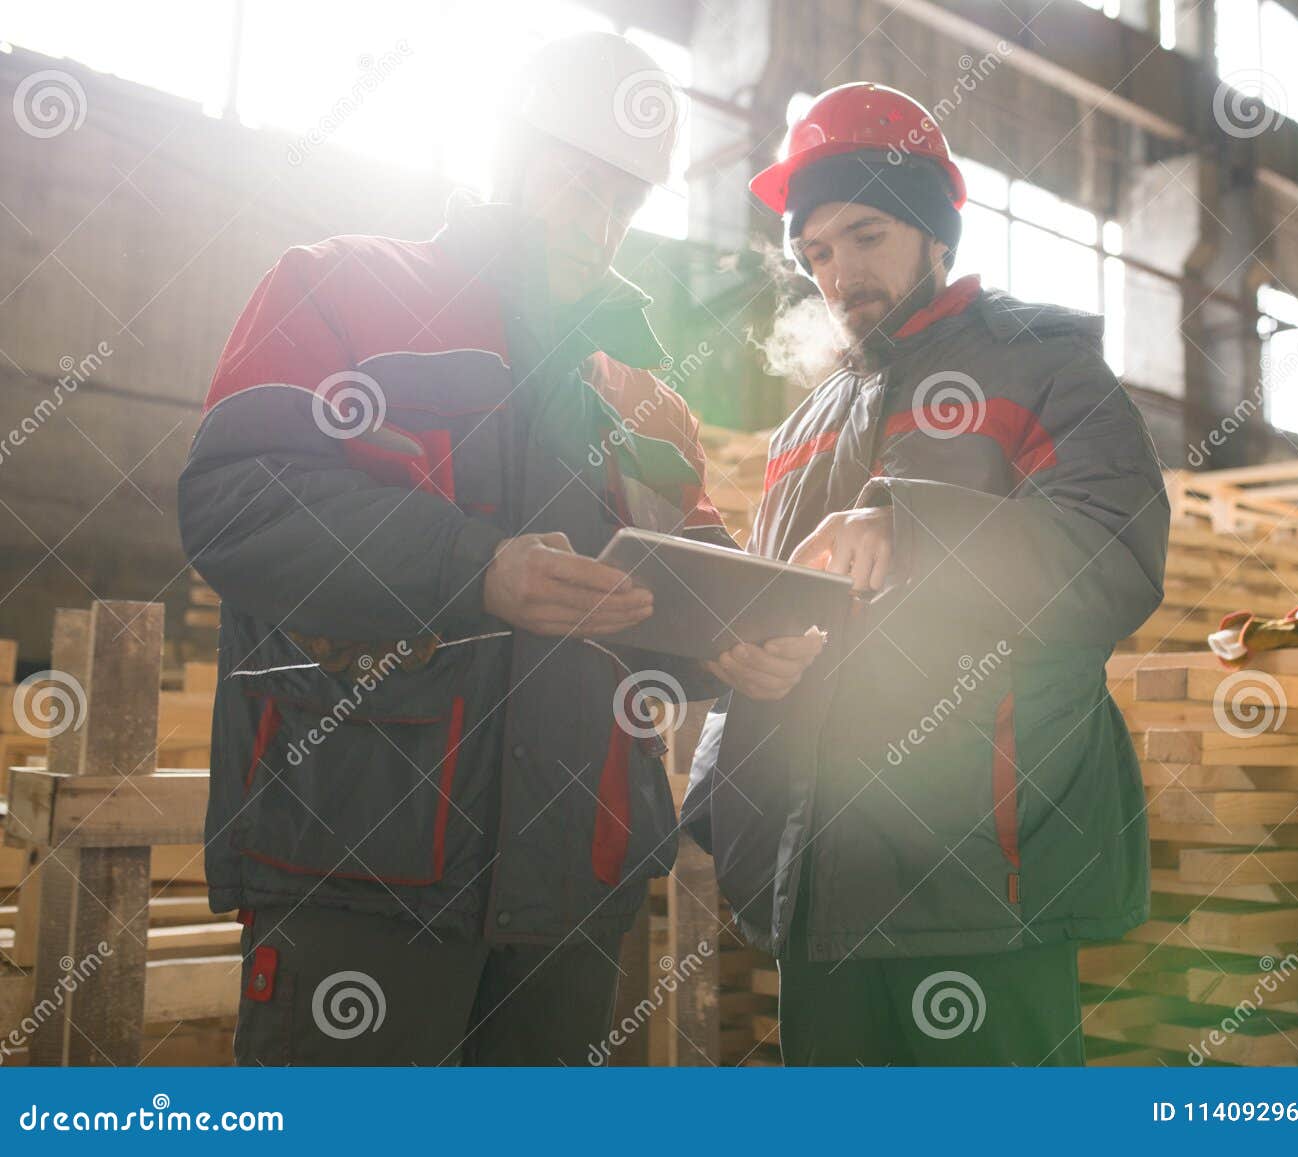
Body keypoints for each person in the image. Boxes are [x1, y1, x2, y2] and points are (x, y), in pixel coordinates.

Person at [177, 31, 822, 1066]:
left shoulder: (646, 401)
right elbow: (236, 501)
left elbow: (677, 594)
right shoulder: (339, 289)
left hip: (570, 890)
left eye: (625, 198)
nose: (601, 221)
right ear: (507, 156)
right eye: (578, 182)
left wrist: (733, 648)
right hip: (365, 869)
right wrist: (473, 569)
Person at [683, 83, 1170, 1066]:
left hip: (978, 873)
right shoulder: (801, 430)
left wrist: (914, 530)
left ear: (934, 234)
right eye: (816, 253)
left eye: (865, 236)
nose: (839, 272)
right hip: (818, 873)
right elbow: (771, 601)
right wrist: (736, 654)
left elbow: (1113, 557)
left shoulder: (1041, 367)